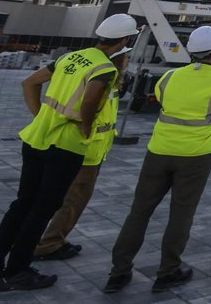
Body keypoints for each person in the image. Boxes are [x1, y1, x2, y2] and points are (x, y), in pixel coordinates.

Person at [0, 13, 137, 292]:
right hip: (64, 147)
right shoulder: (104, 68)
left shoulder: (71, 57)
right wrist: (86, 127)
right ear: (124, 41)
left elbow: (29, 82)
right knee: (42, 209)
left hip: (36, 138)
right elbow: (91, 100)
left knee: (21, 204)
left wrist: (40, 116)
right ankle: (18, 270)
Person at [104, 25, 211, 294]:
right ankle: (168, 271)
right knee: (181, 214)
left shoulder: (168, 78)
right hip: (196, 156)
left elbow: (164, 102)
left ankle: (118, 272)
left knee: (139, 212)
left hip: (159, 151)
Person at [33, 47, 132, 262]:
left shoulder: (99, 74)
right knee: (74, 198)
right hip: (86, 147)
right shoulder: (103, 76)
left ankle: (38, 239)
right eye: (127, 56)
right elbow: (88, 104)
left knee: (59, 196)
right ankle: (49, 243)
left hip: (81, 144)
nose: (128, 60)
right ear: (119, 57)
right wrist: (86, 128)